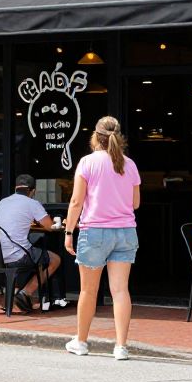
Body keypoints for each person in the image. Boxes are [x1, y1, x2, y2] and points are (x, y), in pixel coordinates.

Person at [63, 116, 141, 361]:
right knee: (120, 291)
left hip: (94, 230)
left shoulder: (87, 162)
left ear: (95, 137)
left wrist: (68, 232)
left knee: (88, 291)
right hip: (126, 231)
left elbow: (76, 201)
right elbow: (135, 203)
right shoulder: (130, 164)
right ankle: (121, 346)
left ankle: (82, 341)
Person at [0, 173, 61, 313]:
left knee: (28, 252)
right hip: (17, 256)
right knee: (54, 259)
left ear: (15, 188)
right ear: (33, 191)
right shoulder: (32, 203)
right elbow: (49, 226)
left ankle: (13, 298)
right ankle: (26, 293)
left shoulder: (3, 202)